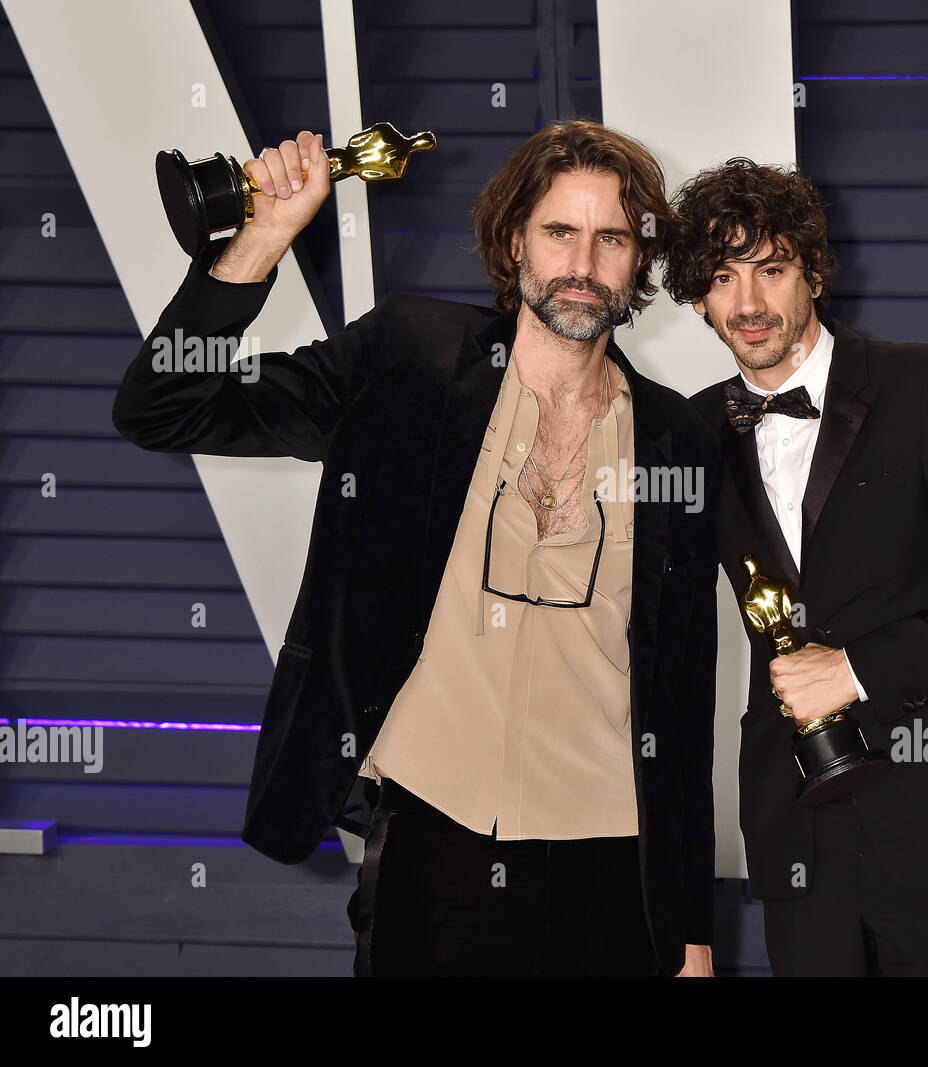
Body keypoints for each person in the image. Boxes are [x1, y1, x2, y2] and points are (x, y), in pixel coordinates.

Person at [112, 120, 720, 977]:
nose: (584, 262)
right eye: (559, 231)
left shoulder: (677, 437)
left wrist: (690, 931)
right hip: (433, 854)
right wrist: (263, 238)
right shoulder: (410, 359)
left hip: (613, 866)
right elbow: (161, 409)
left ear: (637, 259)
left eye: (612, 237)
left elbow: (682, 695)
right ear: (516, 243)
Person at [665, 158, 928, 976]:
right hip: (795, 830)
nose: (747, 304)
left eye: (771, 270)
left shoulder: (927, 384)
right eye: (720, 277)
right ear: (697, 296)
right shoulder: (693, 431)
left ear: (814, 272)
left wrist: (855, 669)